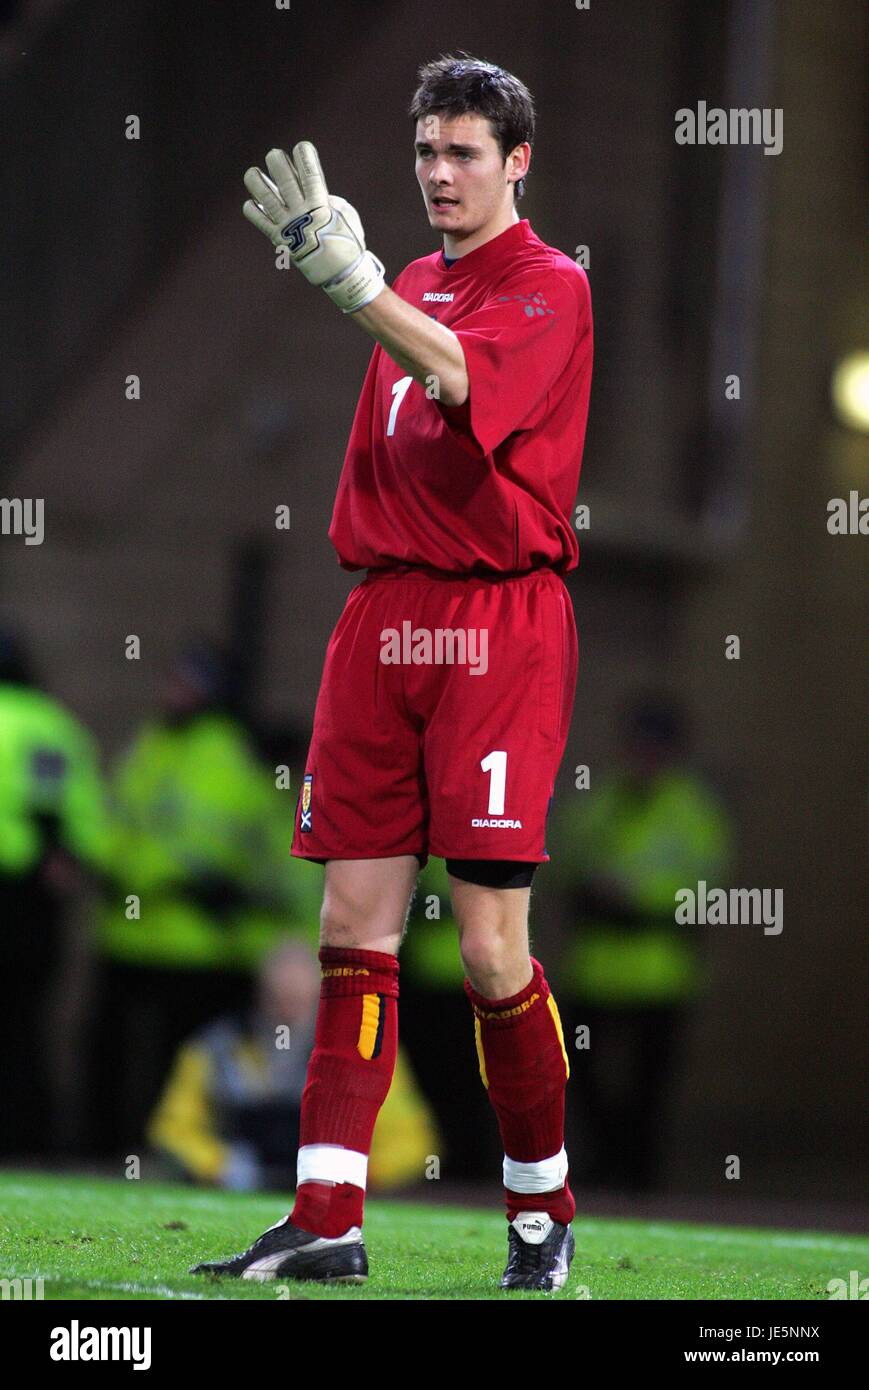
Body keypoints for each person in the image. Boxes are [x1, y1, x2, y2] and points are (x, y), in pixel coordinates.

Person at [191, 52, 593, 1291]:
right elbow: (412, 379)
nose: (438, 173)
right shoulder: (415, 278)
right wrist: (374, 285)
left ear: (516, 161)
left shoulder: (551, 286)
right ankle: (325, 1217)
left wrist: (353, 283)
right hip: (381, 621)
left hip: (495, 627)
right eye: (425, 151)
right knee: (351, 933)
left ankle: (539, 1212)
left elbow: (461, 377)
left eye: (464, 151)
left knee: (484, 952)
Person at [88, 640, 320, 1158]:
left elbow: (261, 856)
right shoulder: (151, 746)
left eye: (187, 682)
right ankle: (110, 1155)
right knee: (114, 1059)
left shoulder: (231, 757)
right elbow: (119, 825)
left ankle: (169, 1153)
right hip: (132, 934)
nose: (172, 691)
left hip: (200, 946)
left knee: (182, 1066)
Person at [547, 695, 734, 1192]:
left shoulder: (694, 810)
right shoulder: (601, 800)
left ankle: (637, 1178)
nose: (644, 756)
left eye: (656, 745)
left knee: (648, 1088)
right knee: (579, 1074)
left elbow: (707, 886)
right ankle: (611, 1161)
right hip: (595, 967)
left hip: (659, 971)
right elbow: (564, 863)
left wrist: (633, 896)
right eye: (638, 744)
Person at [148, 940, 440, 1193]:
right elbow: (171, 1129)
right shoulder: (213, 1049)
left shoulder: (364, 1052)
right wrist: (218, 1166)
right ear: (259, 993)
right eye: (278, 999)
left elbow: (412, 1139)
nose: (287, 1011)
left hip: (327, 1190)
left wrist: (355, 1174)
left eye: (298, 1001)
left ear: (321, 997)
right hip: (237, 1187)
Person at [0, 625, 110, 1157]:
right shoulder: (50, 725)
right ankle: (28, 1143)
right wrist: (56, 856)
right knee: (24, 1026)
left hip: (20, 889)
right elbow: (60, 813)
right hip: (30, 898)